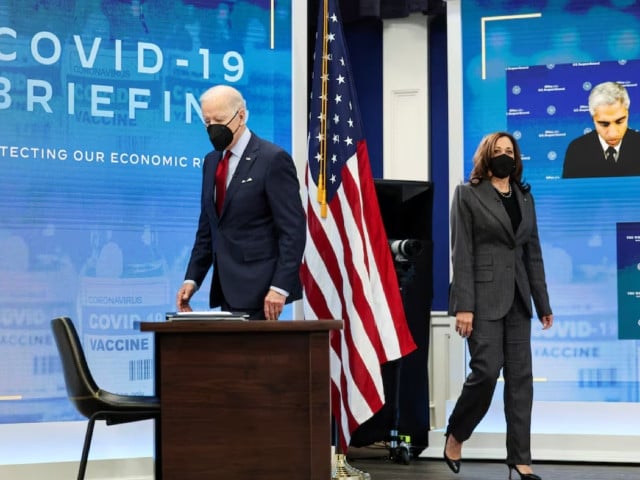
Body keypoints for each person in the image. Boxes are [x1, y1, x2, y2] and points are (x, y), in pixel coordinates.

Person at [444, 132, 554, 479]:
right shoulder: (467, 194)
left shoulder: (524, 197)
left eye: (510, 151)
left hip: (519, 300)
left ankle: (521, 460)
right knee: (486, 372)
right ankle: (457, 433)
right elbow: (461, 252)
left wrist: (543, 303)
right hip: (482, 300)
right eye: (499, 150)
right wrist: (464, 306)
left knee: (521, 381)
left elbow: (532, 254)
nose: (505, 155)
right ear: (487, 156)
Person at [175, 85, 306, 320]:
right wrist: (192, 279)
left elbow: (292, 230)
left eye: (220, 119)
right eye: (207, 121)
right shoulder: (211, 161)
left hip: (264, 293)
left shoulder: (272, 159)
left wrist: (280, 287)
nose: (213, 127)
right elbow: (208, 227)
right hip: (226, 288)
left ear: (242, 116)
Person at [562, 81, 640, 178]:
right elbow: (570, 191)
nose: (613, 133)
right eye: (604, 124)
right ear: (593, 119)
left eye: (620, 121)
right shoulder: (576, 150)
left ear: (627, 114)